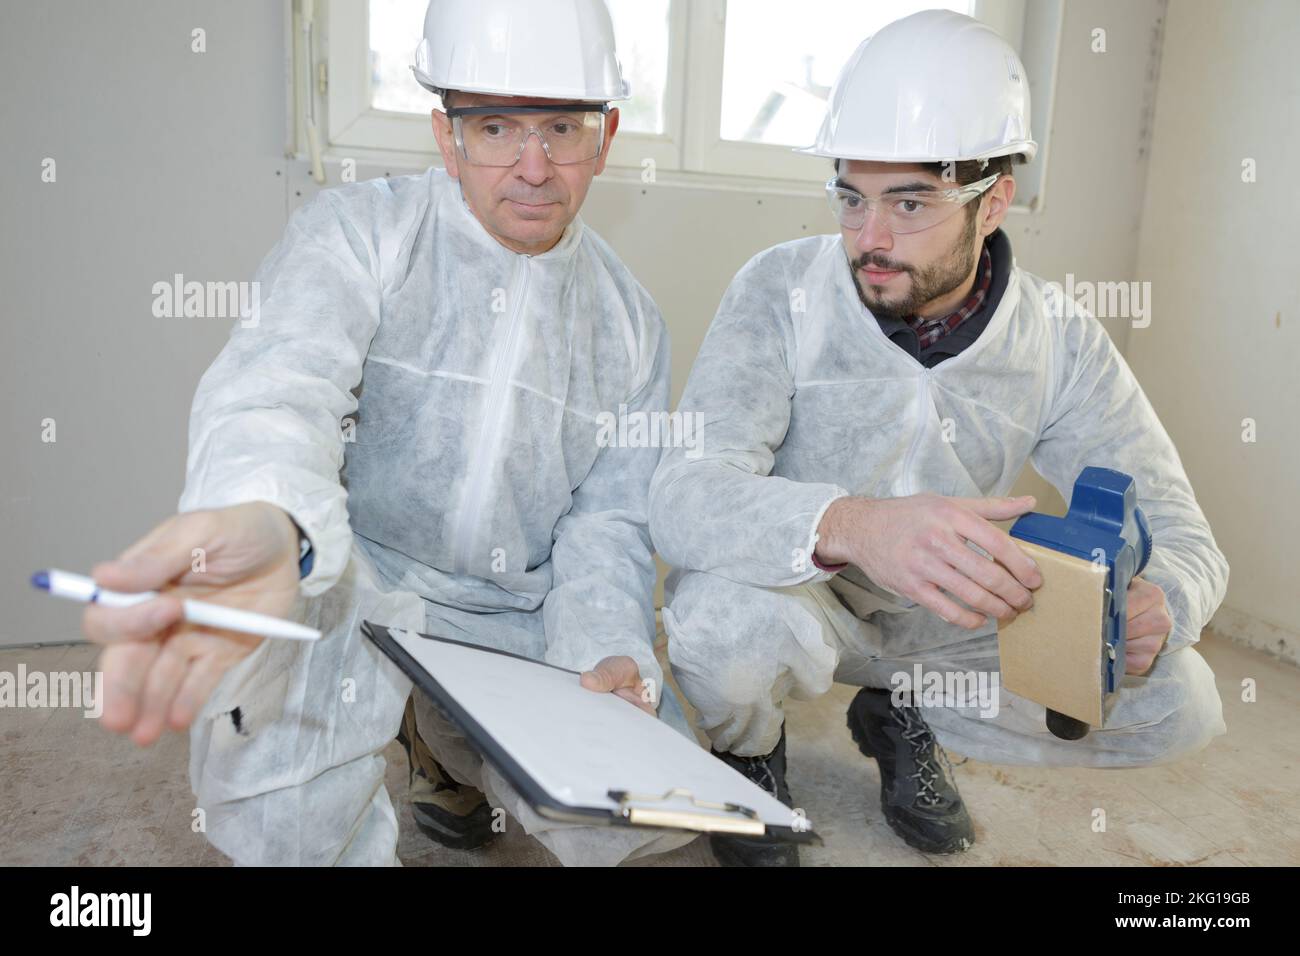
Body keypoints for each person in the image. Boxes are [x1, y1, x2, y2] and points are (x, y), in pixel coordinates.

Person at [79, 0, 694, 867]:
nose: (533, 166)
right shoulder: (359, 235)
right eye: (494, 127)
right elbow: (277, 391)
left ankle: (437, 736)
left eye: (562, 126)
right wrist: (274, 522)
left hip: (504, 606)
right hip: (349, 574)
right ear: (446, 137)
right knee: (286, 824)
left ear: (608, 134)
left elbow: (610, 522)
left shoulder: (630, 321)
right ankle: (401, 708)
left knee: (645, 805)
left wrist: (606, 650)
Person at [649, 10, 1228, 867]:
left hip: (956, 621)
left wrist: (1164, 602)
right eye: (853, 198)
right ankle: (748, 748)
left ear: (994, 201)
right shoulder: (780, 292)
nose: (870, 239)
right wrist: (856, 527)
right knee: (721, 632)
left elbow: (1184, 533)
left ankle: (902, 710)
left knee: (1177, 699)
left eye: (909, 203)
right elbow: (683, 495)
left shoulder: (1059, 341)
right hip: (811, 603)